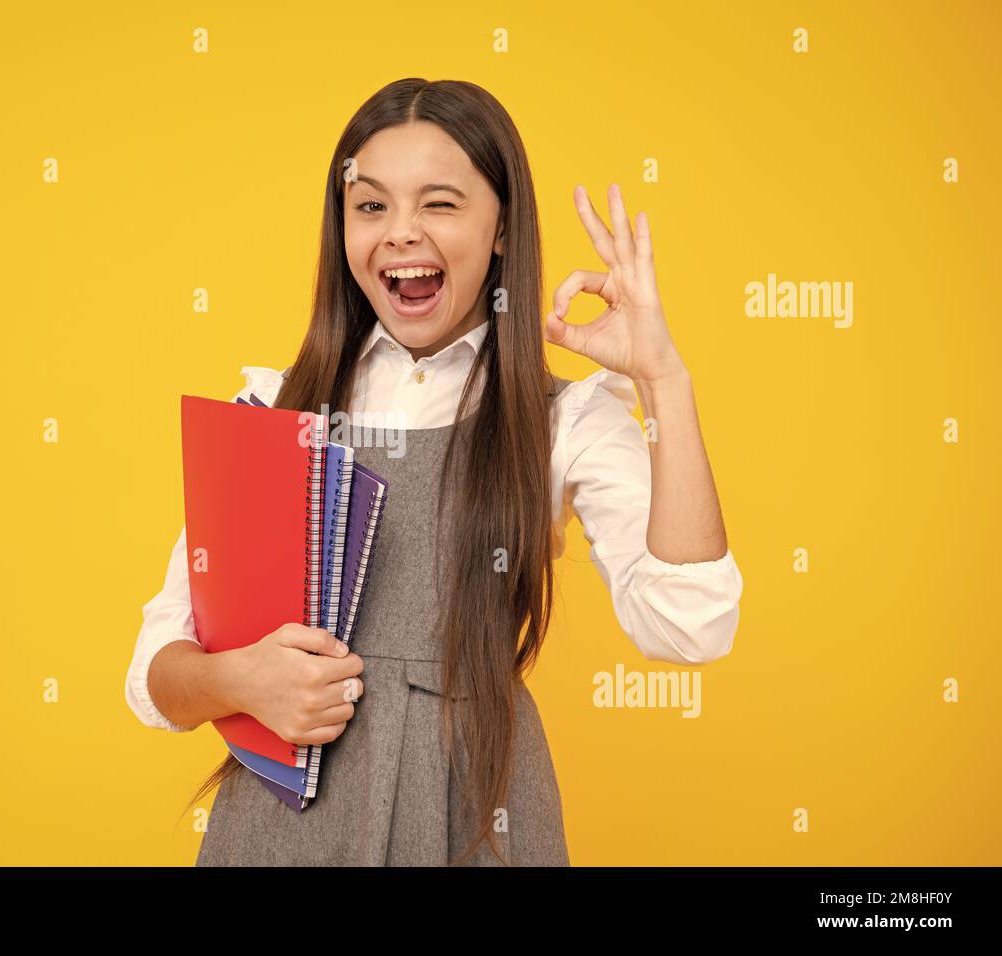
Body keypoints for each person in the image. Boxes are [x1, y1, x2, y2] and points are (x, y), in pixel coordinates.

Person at [124, 77, 744, 866]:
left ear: (502, 229)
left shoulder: (560, 420)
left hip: (476, 816)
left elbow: (690, 628)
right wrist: (243, 683)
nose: (401, 234)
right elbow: (155, 678)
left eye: (441, 204)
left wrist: (664, 379)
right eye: (372, 206)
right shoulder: (276, 409)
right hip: (283, 831)